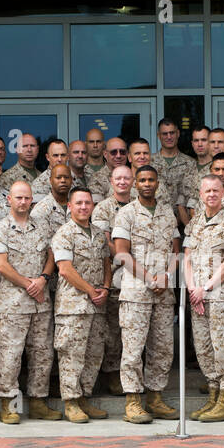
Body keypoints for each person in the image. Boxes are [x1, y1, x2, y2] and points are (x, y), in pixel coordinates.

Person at [112, 164, 179, 423]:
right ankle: (133, 402)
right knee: (133, 347)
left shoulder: (167, 213)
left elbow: (176, 250)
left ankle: (155, 398)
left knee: (162, 347)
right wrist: (149, 277)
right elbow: (121, 253)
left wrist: (167, 276)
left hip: (163, 292)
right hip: (136, 291)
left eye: (151, 179)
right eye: (142, 180)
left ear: (157, 182)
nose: (147, 184)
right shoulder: (126, 214)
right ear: (135, 184)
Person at [0, 180, 61, 424]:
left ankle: (38, 402)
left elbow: (52, 256)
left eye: (26, 198)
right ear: (9, 199)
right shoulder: (1, 228)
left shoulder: (42, 226)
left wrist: (42, 279)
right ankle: (9, 405)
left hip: (41, 302)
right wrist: (27, 284)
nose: (23, 202)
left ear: (32, 200)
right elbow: (1, 265)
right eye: (18, 198)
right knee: (11, 355)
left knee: (42, 354)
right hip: (12, 305)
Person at [184, 174, 224, 422]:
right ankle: (212, 397)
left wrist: (205, 289)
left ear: (223, 193)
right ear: (200, 194)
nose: (211, 195)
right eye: (207, 190)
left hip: (221, 297)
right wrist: (192, 290)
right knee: (204, 350)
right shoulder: (194, 223)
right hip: (197, 298)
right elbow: (186, 259)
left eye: (215, 191)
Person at [51, 187, 112, 423]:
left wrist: (105, 287)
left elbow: (107, 261)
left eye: (87, 203)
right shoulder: (64, 234)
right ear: (70, 206)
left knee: (93, 353)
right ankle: (71, 402)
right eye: (79, 203)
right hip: (73, 306)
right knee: (72, 355)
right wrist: (90, 290)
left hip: (97, 304)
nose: (84, 207)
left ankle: (85, 396)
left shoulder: (97, 234)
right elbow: (65, 270)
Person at [92, 164, 134, 397]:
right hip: (116, 275)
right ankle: (112, 374)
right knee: (113, 330)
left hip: (139, 278)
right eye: (118, 178)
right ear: (111, 180)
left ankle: (132, 376)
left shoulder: (140, 207)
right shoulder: (102, 209)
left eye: (127, 178)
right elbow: (103, 242)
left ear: (133, 180)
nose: (122, 182)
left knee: (134, 330)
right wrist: (127, 256)